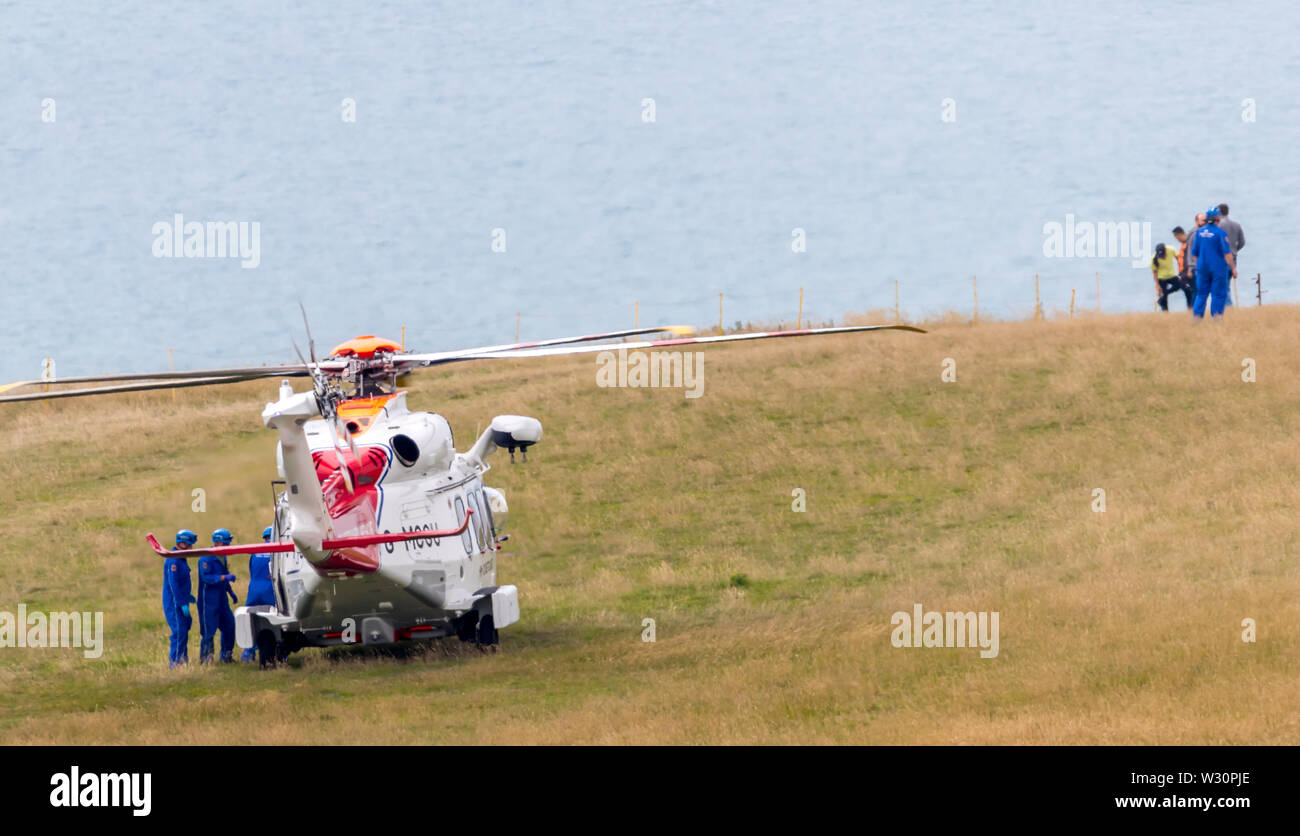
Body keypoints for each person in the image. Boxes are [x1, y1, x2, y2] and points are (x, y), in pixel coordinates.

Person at [198, 528, 239, 663]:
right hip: (208, 601)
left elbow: (224, 575)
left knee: (229, 626)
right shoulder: (205, 558)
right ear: (218, 542)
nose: (228, 546)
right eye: (226, 543)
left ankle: (226, 656)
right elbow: (207, 578)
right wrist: (224, 577)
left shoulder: (223, 556)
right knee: (209, 631)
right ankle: (206, 659)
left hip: (222, 599)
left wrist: (230, 591)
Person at [1191, 205, 1237, 318]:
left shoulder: (1199, 232)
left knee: (1201, 294)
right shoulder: (1220, 233)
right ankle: (1216, 317)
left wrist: (1197, 267)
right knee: (1218, 294)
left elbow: (1194, 253)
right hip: (1218, 269)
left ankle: (1197, 317)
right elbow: (1227, 253)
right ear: (1218, 218)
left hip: (1202, 268)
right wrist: (1233, 268)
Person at [240, 526, 277, 663]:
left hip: (254, 591)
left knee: (252, 621)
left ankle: (247, 654)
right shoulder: (277, 550)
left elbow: (251, 570)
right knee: (273, 622)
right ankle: (276, 653)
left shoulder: (255, 552)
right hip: (270, 591)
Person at [163, 529, 198, 668]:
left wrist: (187, 597)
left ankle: (183, 660)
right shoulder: (175, 561)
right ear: (182, 544)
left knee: (184, 629)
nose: (192, 549)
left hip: (181, 601)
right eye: (190, 545)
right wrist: (182, 602)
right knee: (179, 631)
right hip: (175, 603)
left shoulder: (180, 558)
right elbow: (173, 585)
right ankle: (175, 663)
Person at [1151, 242, 1189, 311]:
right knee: (1164, 299)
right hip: (1161, 278)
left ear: (1165, 250)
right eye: (1160, 255)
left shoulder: (1171, 250)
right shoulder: (1154, 258)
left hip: (1172, 275)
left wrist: (1181, 272)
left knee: (1180, 285)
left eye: (1163, 254)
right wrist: (1157, 284)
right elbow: (1154, 272)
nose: (1162, 256)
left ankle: (1165, 294)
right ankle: (1165, 312)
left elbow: (1179, 259)